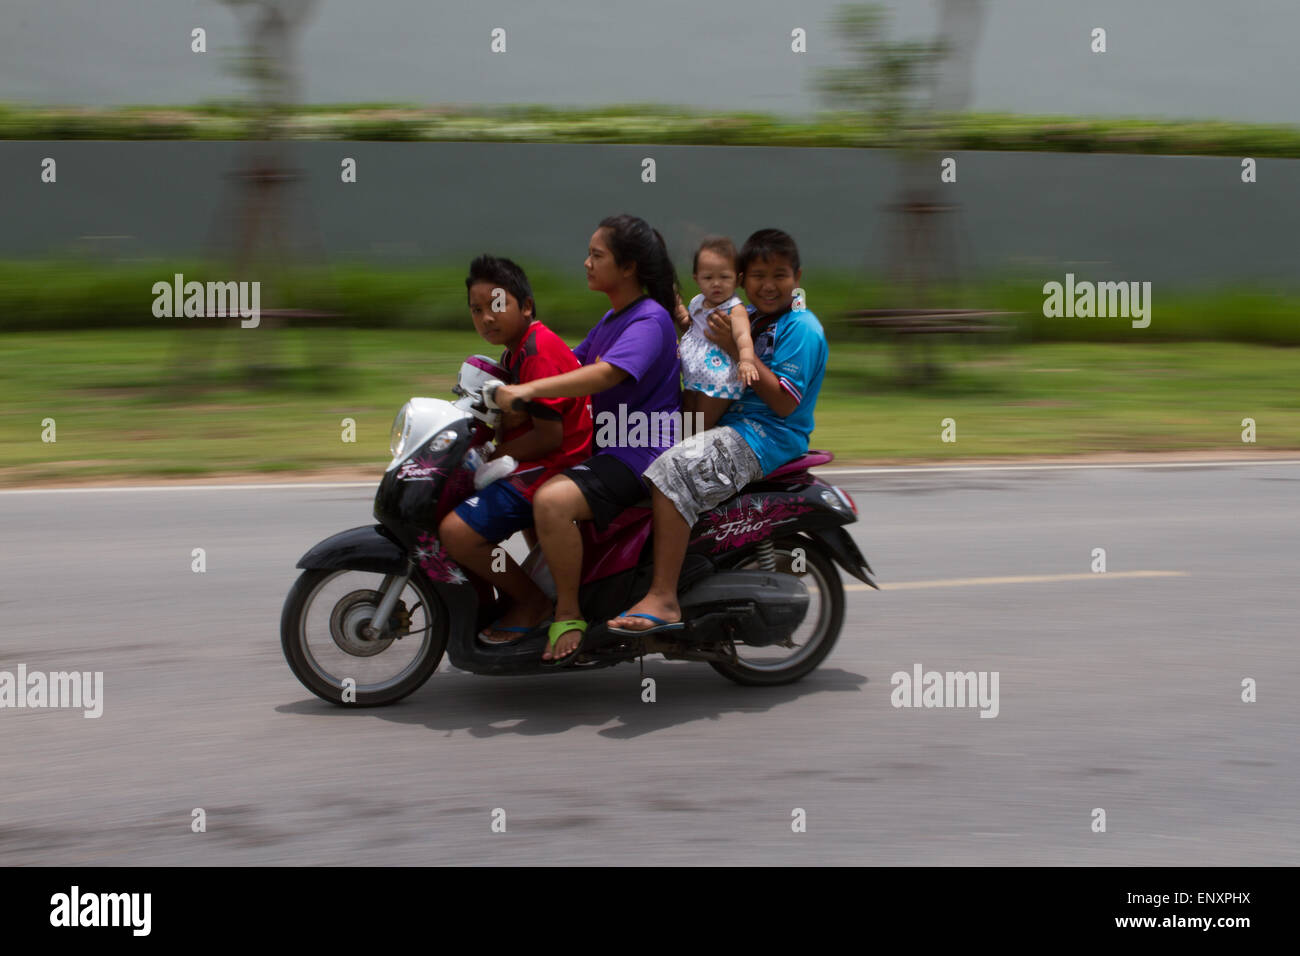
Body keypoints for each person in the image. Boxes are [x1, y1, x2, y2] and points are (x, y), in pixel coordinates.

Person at [605, 229, 827, 635]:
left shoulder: (801, 328)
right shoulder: (749, 313)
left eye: (779, 275)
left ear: (797, 275)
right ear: (743, 277)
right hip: (723, 421)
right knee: (626, 439)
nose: (768, 285)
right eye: (758, 275)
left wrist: (734, 349)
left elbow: (783, 402)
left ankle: (664, 597)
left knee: (673, 470)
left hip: (763, 435)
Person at [492, 215, 681, 664]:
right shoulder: (615, 317)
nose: (586, 263)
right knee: (530, 483)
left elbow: (603, 374)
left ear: (629, 266)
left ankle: (568, 613)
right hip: (612, 446)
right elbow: (570, 364)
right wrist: (503, 373)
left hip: (642, 453)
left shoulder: (649, 320)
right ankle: (557, 587)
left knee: (552, 502)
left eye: (597, 256)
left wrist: (529, 391)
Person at [437, 255, 593, 643]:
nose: (487, 318)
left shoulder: (536, 351)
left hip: (558, 464)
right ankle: (536, 588)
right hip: (547, 461)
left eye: (497, 305)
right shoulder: (517, 350)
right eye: (477, 309)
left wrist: (497, 452)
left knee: (457, 533)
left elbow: (548, 437)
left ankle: (532, 602)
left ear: (525, 306)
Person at [676, 236, 759, 431]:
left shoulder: (734, 309)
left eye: (724, 277)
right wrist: (679, 311)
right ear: (696, 279)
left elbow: (742, 337)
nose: (716, 284)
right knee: (687, 413)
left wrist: (746, 361)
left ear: (737, 279)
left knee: (701, 424)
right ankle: (685, 446)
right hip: (694, 373)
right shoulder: (698, 301)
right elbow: (692, 325)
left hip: (718, 376)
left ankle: (697, 446)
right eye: (708, 278)